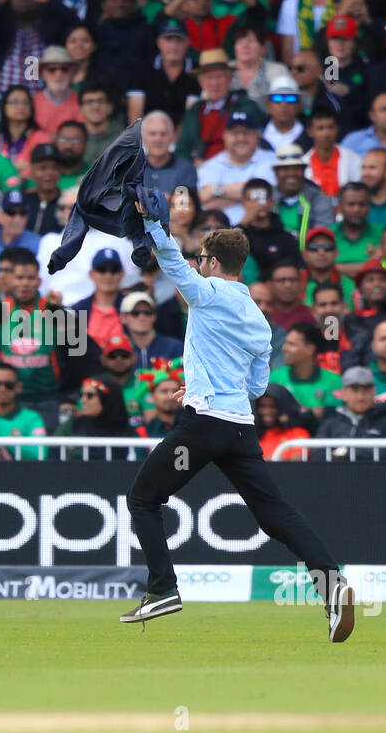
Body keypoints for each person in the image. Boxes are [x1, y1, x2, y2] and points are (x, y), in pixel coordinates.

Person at [121, 204, 354, 638]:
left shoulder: (207, 293)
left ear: (212, 262)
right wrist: (200, 386)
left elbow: (171, 260)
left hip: (204, 426)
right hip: (239, 429)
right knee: (275, 514)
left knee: (143, 500)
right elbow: (256, 386)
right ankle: (331, 584)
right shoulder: (261, 322)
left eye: (203, 260)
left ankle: (162, 589)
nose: (198, 266)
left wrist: (153, 222)